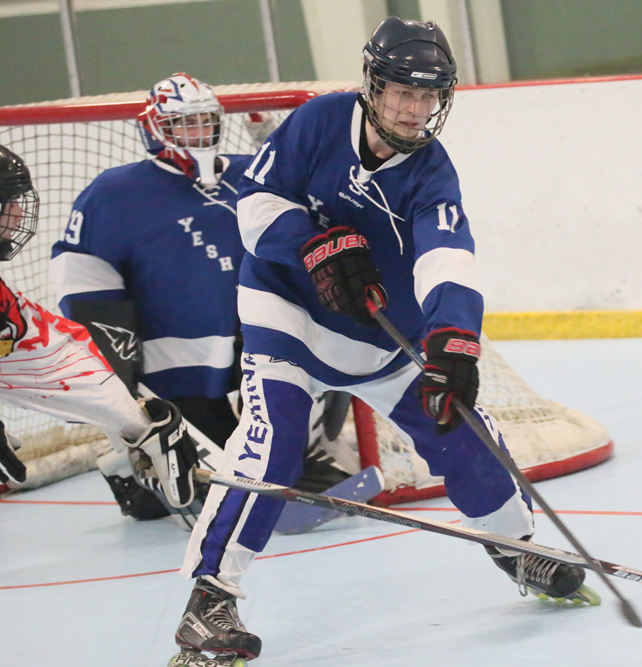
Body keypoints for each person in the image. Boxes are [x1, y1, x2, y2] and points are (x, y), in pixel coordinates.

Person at [171, 17, 593, 663]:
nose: (413, 108)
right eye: (401, 90)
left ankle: (515, 546)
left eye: (428, 95)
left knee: (464, 431)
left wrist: (454, 342)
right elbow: (254, 204)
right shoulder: (318, 122)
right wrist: (310, 245)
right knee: (275, 437)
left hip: (380, 338)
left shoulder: (432, 173)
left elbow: (447, 260)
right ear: (373, 83)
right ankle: (209, 597)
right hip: (286, 311)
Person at [49, 74, 346, 520]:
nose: (199, 133)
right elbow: (81, 269)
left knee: (288, 428)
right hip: (175, 356)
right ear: (155, 129)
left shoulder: (250, 171)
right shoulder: (113, 194)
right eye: (184, 124)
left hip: (258, 337)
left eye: (206, 121)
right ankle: (127, 470)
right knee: (193, 486)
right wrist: (110, 347)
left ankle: (298, 466)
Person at [0, 142, 199, 516]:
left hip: (28, 347)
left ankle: (129, 459)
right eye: (8, 202)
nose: (17, 213)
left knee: (127, 414)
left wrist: (134, 424)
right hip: (21, 347)